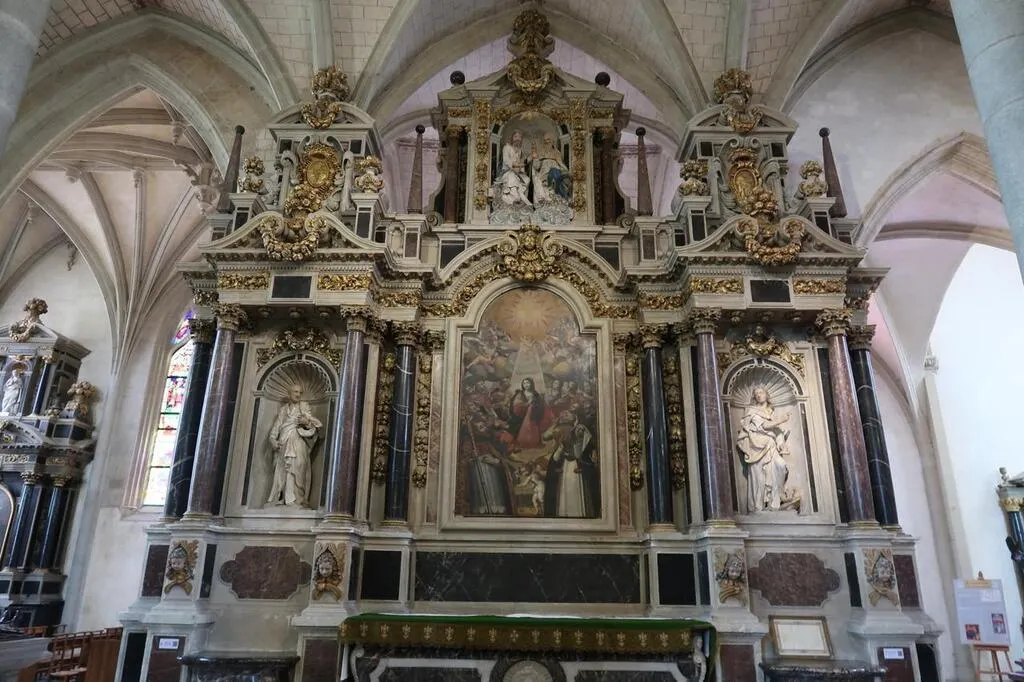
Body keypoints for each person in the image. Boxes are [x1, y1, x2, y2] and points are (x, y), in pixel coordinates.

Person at [735, 385, 791, 512]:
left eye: (761, 392)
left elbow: (777, 431)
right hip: (757, 447)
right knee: (759, 478)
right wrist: (781, 419)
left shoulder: (771, 411)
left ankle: (775, 502)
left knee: (781, 465)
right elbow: (764, 426)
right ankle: (758, 507)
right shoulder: (751, 411)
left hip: (771, 445)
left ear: (766, 395)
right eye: (756, 393)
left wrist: (781, 442)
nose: (759, 395)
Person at [266, 384, 322, 508]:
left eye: (300, 392)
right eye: (295, 392)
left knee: (298, 468)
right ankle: (283, 499)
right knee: (283, 472)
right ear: (289, 393)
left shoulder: (304, 407)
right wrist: (274, 441)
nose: (298, 394)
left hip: (298, 443)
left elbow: (315, 425)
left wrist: (306, 422)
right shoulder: (283, 410)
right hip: (284, 443)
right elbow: (275, 430)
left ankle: (297, 500)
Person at [542, 411, 600, 518]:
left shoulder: (581, 431)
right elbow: (554, 459)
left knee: (577, 495)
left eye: (567, 414)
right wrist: (560, 450)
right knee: (563, 496)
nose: (564, 414)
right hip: (565, 469)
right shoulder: (559, 433)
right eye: (563, 414)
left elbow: (587, 456)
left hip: (577, 472)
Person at [508, 378, 551, 450]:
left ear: (531, 383)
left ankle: (535, 442)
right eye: (524, 383)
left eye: (527, 383)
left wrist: (534, 406)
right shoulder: (520, 394)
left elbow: (541, 404)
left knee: (534, 427)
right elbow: (516, 405)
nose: (526, 385)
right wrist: (527, 404)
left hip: (533, 415)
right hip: (521, 415)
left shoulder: (535, 394)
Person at [493, 130, 532, 208]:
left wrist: (529, 158)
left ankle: (521, 198)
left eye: (520, 137)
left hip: (517, 173)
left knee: (527, 179)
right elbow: (507, 161)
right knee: (512, 177)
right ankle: (512, 200)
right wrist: (518, 165)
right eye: (516, 137)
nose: (518, 139)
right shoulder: (507, 148)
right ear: (512, 138)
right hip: (507, 172)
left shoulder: (520, 150)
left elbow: (522, 162)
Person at [531, 132, 570, 203]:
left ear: (553, 141)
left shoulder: (557, 153)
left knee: (556, 173)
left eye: (548, 140)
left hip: (556, 173)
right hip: (544, 175)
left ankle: (559, 196)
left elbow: (562, 165)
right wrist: (535, 158)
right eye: (545, 140)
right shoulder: (541, 152)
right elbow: (536, 167)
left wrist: (563, 171)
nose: (546, 142)